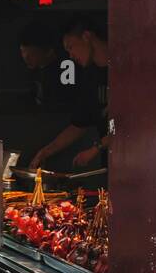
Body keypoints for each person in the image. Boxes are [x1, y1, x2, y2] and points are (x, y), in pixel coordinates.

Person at [28, 14, 110, 171]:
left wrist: (96, 148)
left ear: (87, 36)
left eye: (71, 47)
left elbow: (131, 125)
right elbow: (79, 124)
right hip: (110, 164)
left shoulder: (126, 66)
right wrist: (45, 152)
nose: (71, 56)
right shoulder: (90, 76)